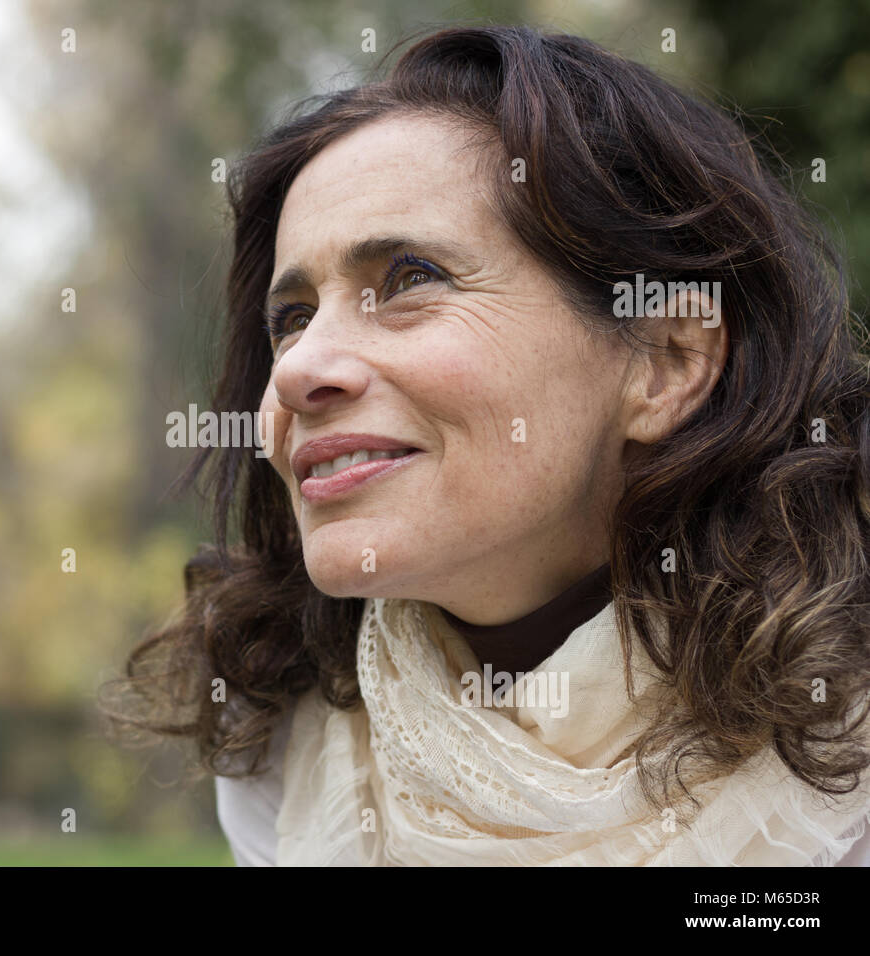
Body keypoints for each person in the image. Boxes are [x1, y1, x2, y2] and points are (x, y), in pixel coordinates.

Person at [104, 24, 870, 865]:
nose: (298, 372)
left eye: (409, 280)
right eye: (292, 319)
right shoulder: (285, 747)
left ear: (665, 361)